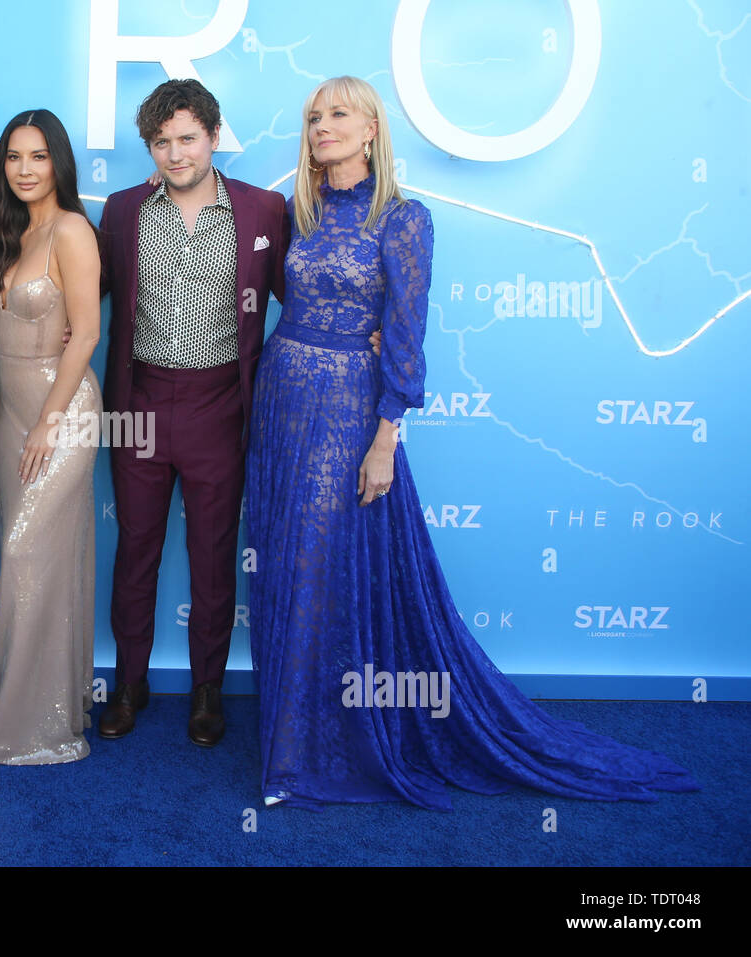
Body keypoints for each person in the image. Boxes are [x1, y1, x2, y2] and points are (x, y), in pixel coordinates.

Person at [245, 76, 699, 810]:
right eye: (312, 117)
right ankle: (285, 739)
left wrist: (385, 437)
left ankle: (308, 755)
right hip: (283, 401)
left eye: (337, 114)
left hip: (347, 412)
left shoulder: (403, 219)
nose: (321, 126)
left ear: (370, 131)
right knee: (284, 565)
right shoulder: (296, 211)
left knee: (322, 567)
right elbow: (285, 297)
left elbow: (405, 333)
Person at [96, 79, 287, 747]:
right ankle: (128, 683)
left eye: (186, 138)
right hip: (140, 402)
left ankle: (208, 689)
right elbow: (85, 294)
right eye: (160, 142)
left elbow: (298, 296)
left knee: (213, 554)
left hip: (221, 405)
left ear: (212, 135)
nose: (174, 154)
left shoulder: (265, 211)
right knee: (135, 551)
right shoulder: (121, 211)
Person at [0, 110, 102, 765]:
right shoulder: (14, 231)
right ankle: (37, 688)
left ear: (59, 164)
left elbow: (88, 334)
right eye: (14, 157)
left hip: (62, 409)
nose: (25, 169)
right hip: (9, 413)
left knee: (28, 555)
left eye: (39, 156)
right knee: (35, 557)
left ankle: (43, 721)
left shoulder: (73, 229)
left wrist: (52, 420)